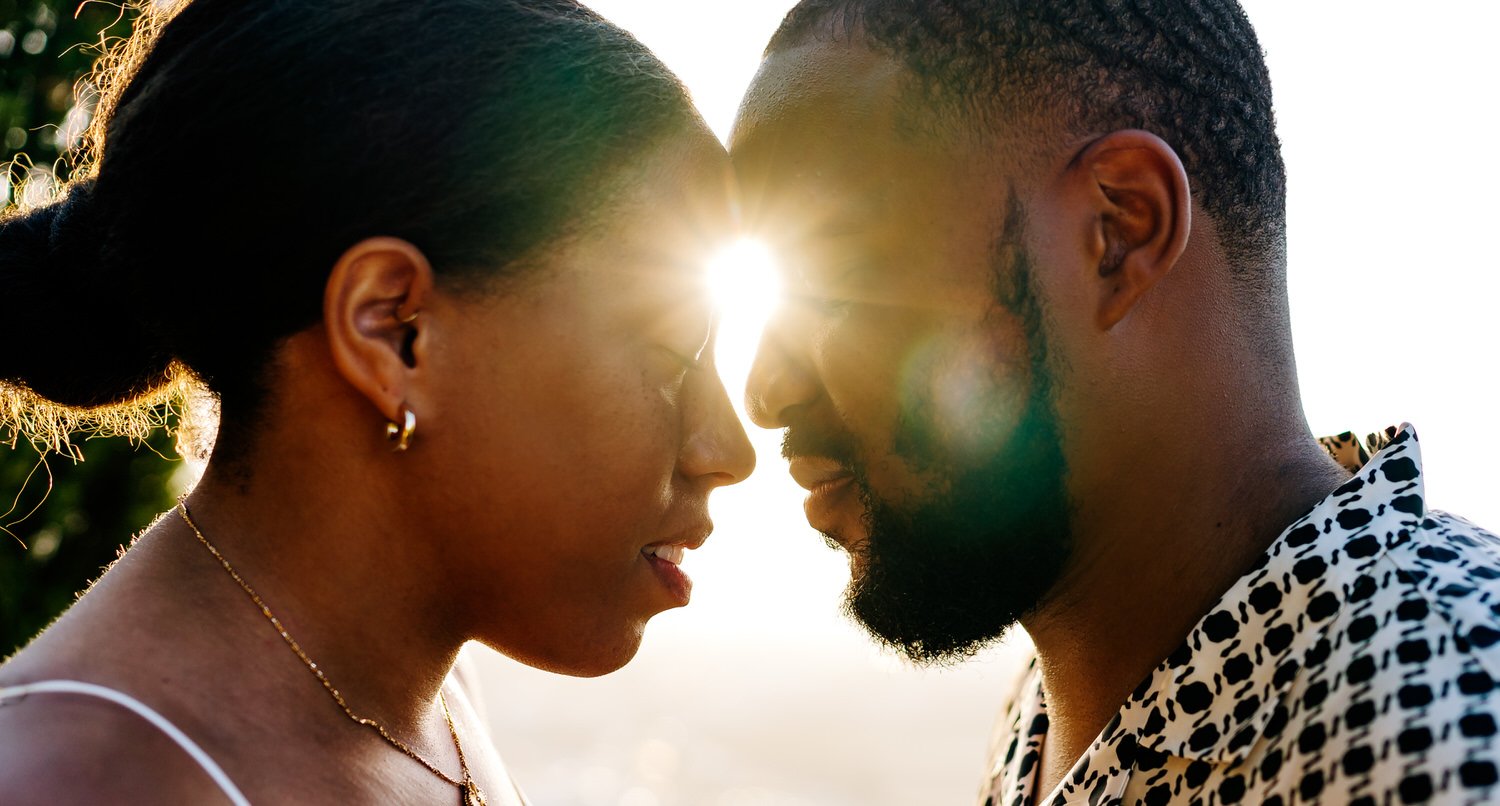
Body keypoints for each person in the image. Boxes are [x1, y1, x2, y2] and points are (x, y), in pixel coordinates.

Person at [732, 1, 1500, 803]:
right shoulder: (1061, 698)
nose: (764, 389)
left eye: (831, 274)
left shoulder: (1442, 733)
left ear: (1121, 230)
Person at [0, 0, 754, 801]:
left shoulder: (428, 705)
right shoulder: (78, 778)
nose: (729, 451)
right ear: (396, 330)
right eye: (674, 353)